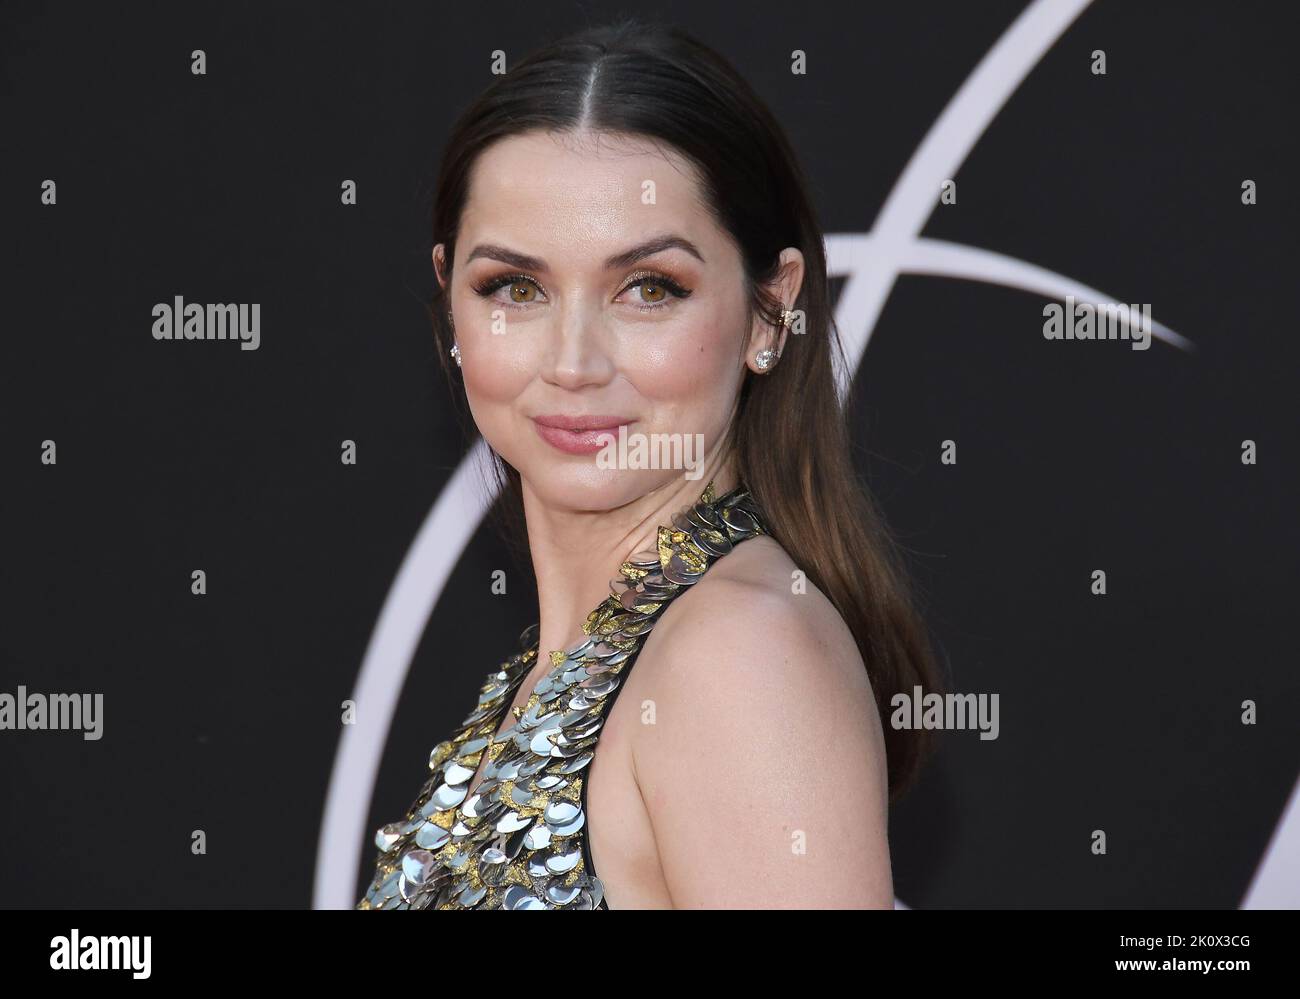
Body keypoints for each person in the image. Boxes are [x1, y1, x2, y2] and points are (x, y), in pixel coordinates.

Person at [357, 17, 942, 910]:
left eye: (648, 288)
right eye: (516, 287)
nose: (574, 363)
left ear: (768, 312)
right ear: (452, 308)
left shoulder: (738, 655)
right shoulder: (585, 657)